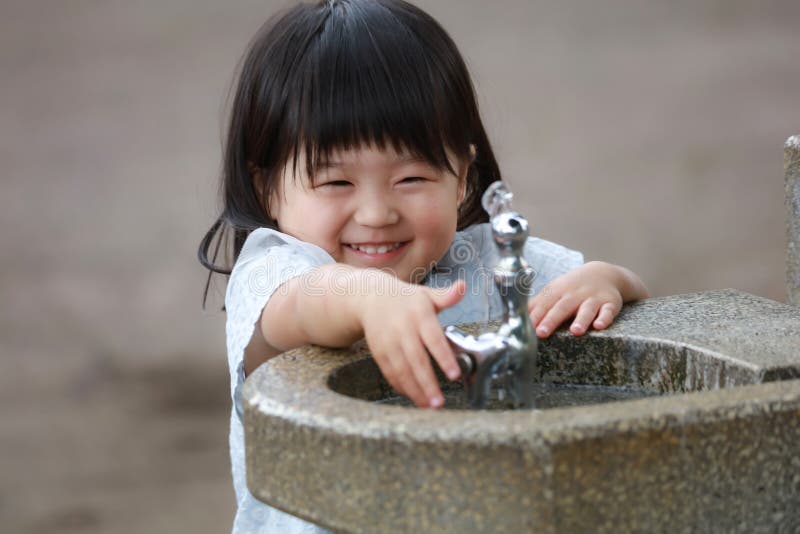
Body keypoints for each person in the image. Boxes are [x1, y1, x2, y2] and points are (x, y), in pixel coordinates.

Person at [197, 0, 650, 531]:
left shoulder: (481, 259)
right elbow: (299, 302)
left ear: (462, 176)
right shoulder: (278, 268)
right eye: (336, 182)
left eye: (410, 178)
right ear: (265, 187)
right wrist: (369, 298)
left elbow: (628, 291)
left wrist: (605, 282)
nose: (377, 213)